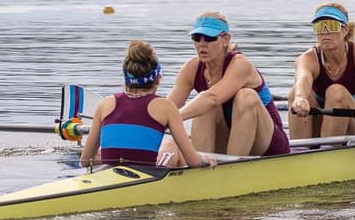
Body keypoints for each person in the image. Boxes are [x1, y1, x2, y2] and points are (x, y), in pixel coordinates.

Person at [165, 12, 291, 157]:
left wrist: (174, 119)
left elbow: (212, 98)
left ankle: (232, 168)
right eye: (196, 38)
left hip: (268, 145)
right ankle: (201, 169)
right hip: (228, 140)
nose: (202, 44)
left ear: (226, 39)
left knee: (244, 96)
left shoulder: (240, 64)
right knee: (201, 105)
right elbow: (168, 106)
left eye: (209, 38)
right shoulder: (191, 68)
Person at [79, 39, 214, 169]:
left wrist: (116, 158)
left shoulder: (105, 104)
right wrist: (203, 160)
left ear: (126, 78)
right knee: (171, 144)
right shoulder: (166, 107)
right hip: (147, 176)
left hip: (108, 175)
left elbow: (85, 161)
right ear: (158, 78)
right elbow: (193, 161)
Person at [288, 3, 355, 138]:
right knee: (294, 94)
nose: (325, 32)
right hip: (323, 124)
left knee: (336, 91)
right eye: (320, 27)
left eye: (331, 26)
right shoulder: (307, 59)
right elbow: (303, 80)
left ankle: (327, 151)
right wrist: (300, 99)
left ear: (345, 30)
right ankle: (299, 151)